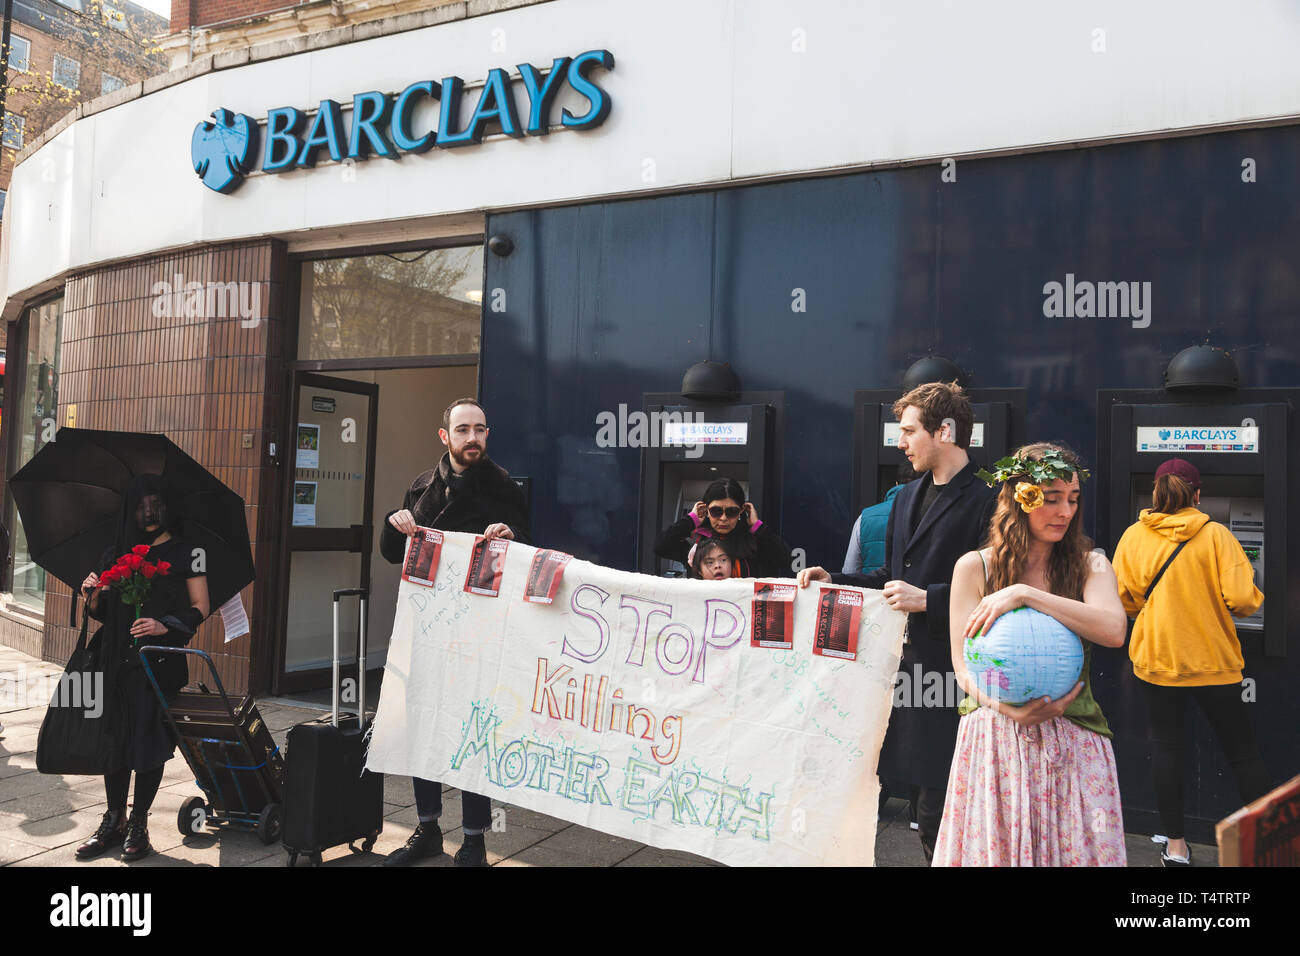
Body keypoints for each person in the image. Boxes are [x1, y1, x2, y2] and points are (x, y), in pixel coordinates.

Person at [797, 381, 995, 862]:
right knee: (922, 804)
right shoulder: (906, 496)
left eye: (908, 431)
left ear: (944, 431)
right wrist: (837, 578)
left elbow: (1003, 584)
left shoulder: (992, 498)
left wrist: (930, 599)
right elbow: (891, 577)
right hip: (904, 671)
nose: (900, 442)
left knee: (941, 806)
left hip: (961, 673)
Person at [934, 444, 1128, 866]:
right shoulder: (974, 568)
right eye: (1052, 498)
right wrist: (1005, 706)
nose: (1065, 512)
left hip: (1074, 736)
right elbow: (962, 667)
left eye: (1073, 500)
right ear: (1019, 499)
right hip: (996, 737)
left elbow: (1114, 631)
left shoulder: (1090, 565)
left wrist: (1026, 594)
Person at [379, 397, 531, 867]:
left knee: (471, 733)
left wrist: (510, 538)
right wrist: (395, 523)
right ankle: (426, 830)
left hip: (477, 636)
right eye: (463, 430)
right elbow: (390, 551)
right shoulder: (422, 486)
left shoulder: (505, 488)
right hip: (426, 631)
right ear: (444, 436)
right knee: (423, 726)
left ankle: (475, 841)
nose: (473, 438)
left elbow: (526, 557)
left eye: (480, 430)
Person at [1111, 457, 1269, 867]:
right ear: (1197, 494)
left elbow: (1123, 601)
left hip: (1157, 660)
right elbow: (1244, 601)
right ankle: (1266, 842)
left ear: (1156, 492)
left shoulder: (1133, 536)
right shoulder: (1216, 535)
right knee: (1242, 752)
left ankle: (1176, 848)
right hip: (1213, 661)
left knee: (1166, 749)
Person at [74, 475, 210, 862]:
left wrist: (164, 624)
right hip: (114, 660)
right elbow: (101, 613)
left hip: (159, 662)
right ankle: (113, 819)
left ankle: (139, 822)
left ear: (168, 507)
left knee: (148, 744)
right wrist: (92, 595)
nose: (148, 514)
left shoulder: (190, 551)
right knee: (114, 742)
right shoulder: (114, 551)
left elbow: (201, 606)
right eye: (141, 506)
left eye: (156, 505)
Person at [655, 477, 792, 578]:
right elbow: (660, 546)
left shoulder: (752, 542)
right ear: (706, 509)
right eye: (716, 511)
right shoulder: (696, 541)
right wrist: (691, 520)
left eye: (731, 511)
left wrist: (757, 527)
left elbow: (784, 559)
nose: (723, 518)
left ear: (741, 511)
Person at [842, 463, 914, 574]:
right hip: (911, 591)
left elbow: (849, 571)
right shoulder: (929, 515)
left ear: (896, 484)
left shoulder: (864, 518)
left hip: (871, 589)